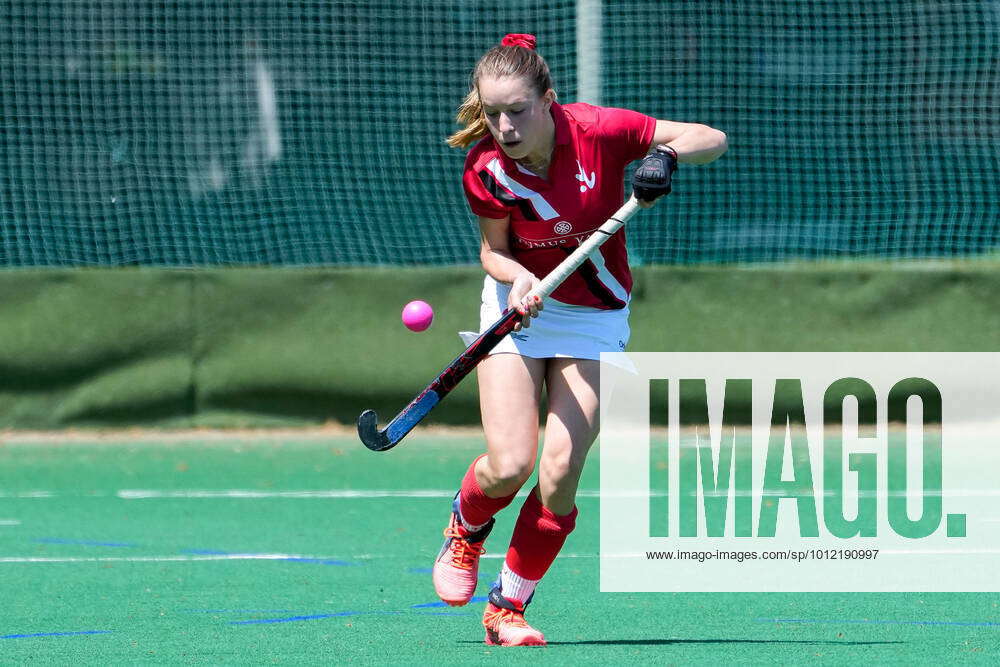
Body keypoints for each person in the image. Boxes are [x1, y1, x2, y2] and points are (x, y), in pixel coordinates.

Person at [434, 33, 727, 647]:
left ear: (549, 99)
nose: (505, 126)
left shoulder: (598, 129)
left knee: (562, 470)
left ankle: (507, 609)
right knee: (510, 464)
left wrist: (666, 158)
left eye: (517, 110)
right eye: (493, 114)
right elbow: (493, 251)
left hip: (592, 313)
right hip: (520, 306)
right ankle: (466, 526)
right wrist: (518, 279)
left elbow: (709, 137)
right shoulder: (487, 168)